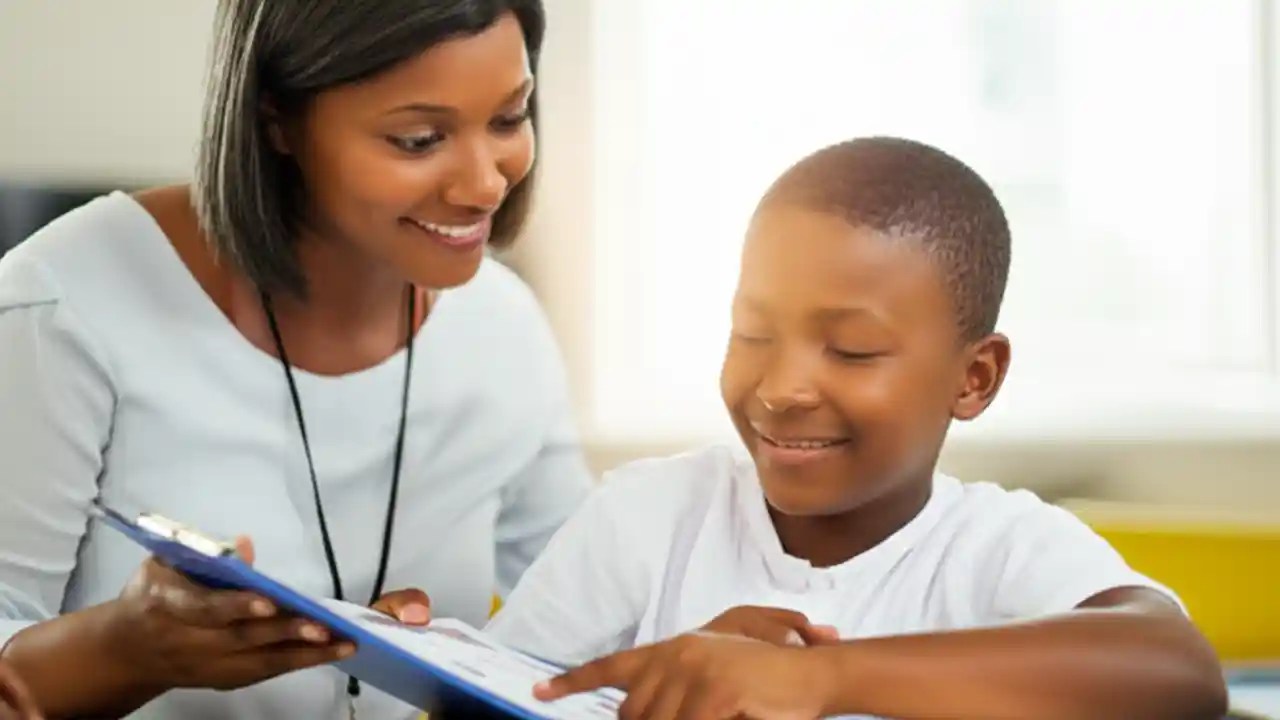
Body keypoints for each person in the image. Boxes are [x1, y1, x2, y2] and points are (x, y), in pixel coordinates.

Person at [486, 137, 1228, 719]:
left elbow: (1178, 670)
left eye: (851, 350)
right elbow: (485, 695)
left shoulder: (995, 549)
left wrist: (815, 679)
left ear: (974, 379)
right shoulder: (648, 517)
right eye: (752, 333)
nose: (780, 389)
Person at [0, 1, 590, 718]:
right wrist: (126, 649)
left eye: (508, 118)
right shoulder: (64, 305)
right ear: (275, 118)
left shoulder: (501, 326)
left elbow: (586, 627)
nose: (485, 184)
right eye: (418, 139)